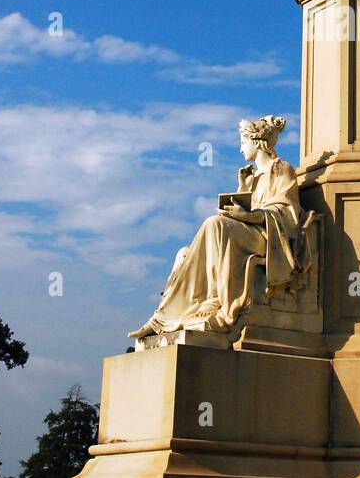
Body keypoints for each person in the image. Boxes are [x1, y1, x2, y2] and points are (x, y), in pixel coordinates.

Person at [128, 115, 301, 339]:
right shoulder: (252, 176)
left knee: (215, 224)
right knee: (183, 253)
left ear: (257, 142)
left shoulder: (282, 169)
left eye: (243, 142)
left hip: (267, 236)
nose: (241, 149)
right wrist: (243, 188)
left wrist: (248, 215)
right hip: (244, 233)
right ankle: (162, 317)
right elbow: (249, 207)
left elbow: (286, 212)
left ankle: (214, 300)